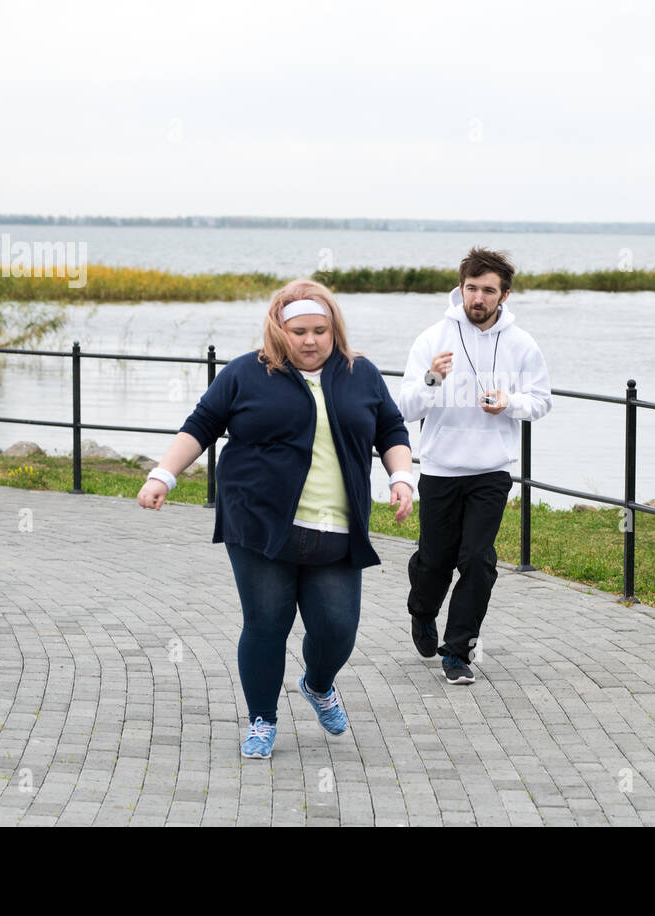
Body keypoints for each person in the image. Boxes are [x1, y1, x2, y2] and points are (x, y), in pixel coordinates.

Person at [136, 278, 415, 759]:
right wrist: (163, 474)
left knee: (337, 629)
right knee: (266, 624)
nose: (310, 340)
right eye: (299, 331)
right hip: (259, 526)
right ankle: (262, 719)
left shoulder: (360, 373)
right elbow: (201, 425)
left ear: (334, 330)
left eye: (320, 331)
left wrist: (402, 477)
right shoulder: (247, 373)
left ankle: (318, 683)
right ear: (279, 331)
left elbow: (391, 427)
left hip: (337, 529)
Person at [397, 247, 551, 684]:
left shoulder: (521, 344)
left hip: (491, 471)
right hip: (442, 468)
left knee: (479, 561)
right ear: (460, 289)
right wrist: (432, 379)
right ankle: (422, 610)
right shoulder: (432, 340)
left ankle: (457, 651)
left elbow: (541, 400)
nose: (478, 298)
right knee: (434, 562)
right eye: (471, 288)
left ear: (503, 295)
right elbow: (404, 408)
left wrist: (510, 404)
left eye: (488, 290)